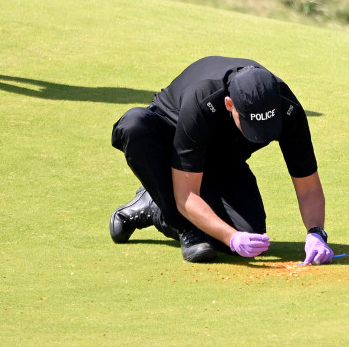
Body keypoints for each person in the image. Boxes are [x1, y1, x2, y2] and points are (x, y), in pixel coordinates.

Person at [109, 56, 334, 265]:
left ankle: (154, 205)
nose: (261, 133)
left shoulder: (289, 110)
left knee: (250, 234)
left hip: (221, 157)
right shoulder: (202, 100)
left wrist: (316, 233)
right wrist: (230, 236)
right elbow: (186, 194)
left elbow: (308, 187)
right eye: (252, 127)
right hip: (171, 142)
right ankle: (174, 216)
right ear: (229, 104)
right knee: (134, 125)